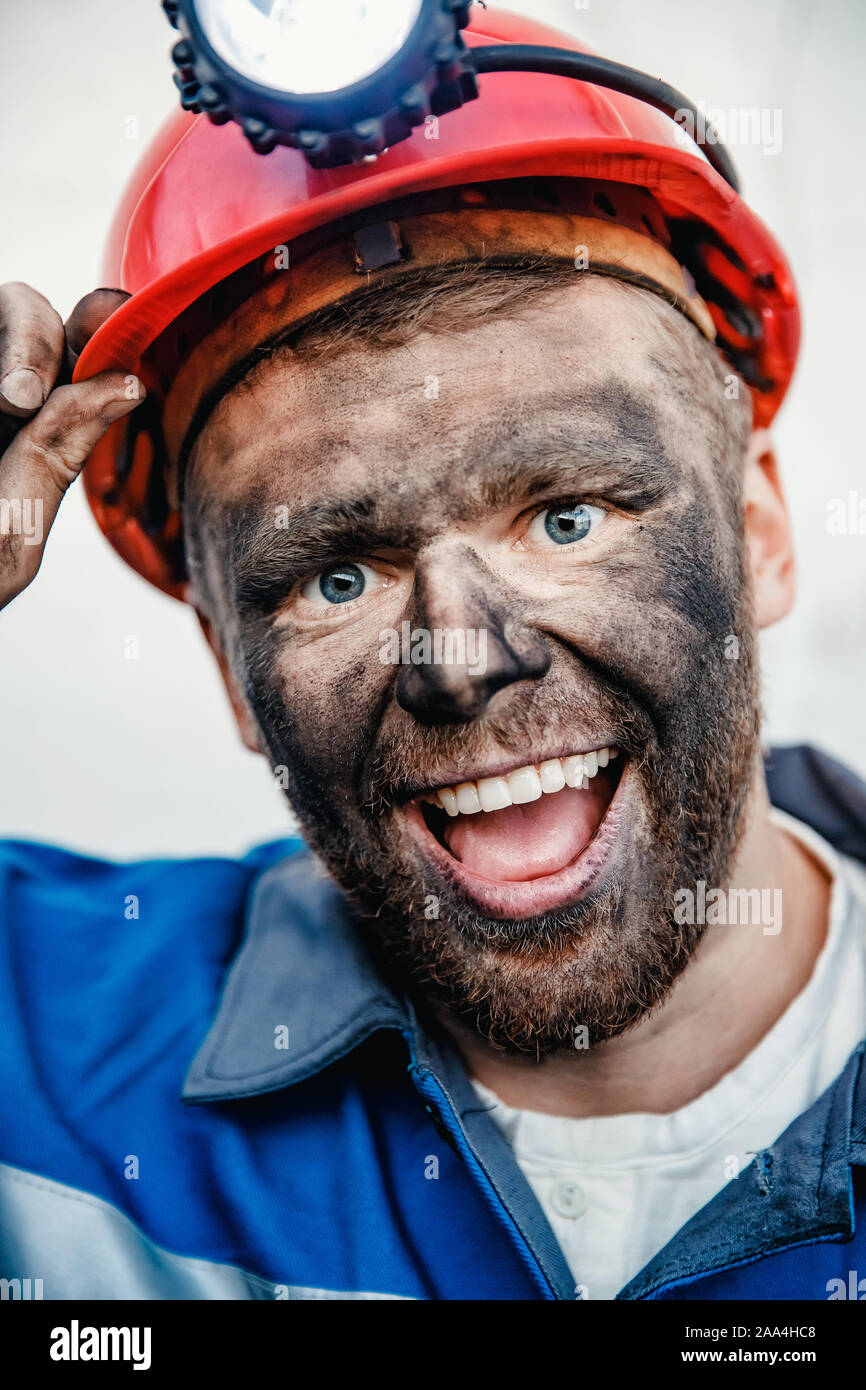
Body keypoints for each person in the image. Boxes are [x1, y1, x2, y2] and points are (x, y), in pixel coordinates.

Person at [1, 7, 864, 1302]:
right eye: (335, 575)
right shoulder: (41, 1051)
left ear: (760, 533)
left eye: (566, 515)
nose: (460, 658)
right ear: (233, 673)